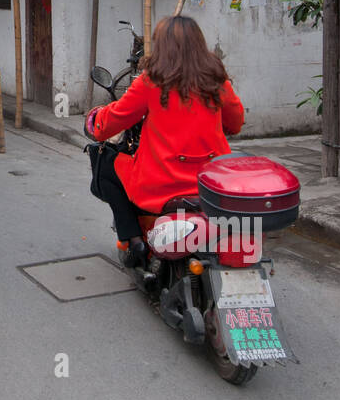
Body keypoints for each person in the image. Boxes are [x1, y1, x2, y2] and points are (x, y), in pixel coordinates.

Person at [88, 16, 244, 267]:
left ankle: (134, 240)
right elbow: (236, 123)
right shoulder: (217, 81)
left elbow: (113, 120)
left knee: (105, 163)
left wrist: (94, 120)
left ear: (160, 47)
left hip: (164, 185)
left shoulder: (151, 82)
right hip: (213, 183)